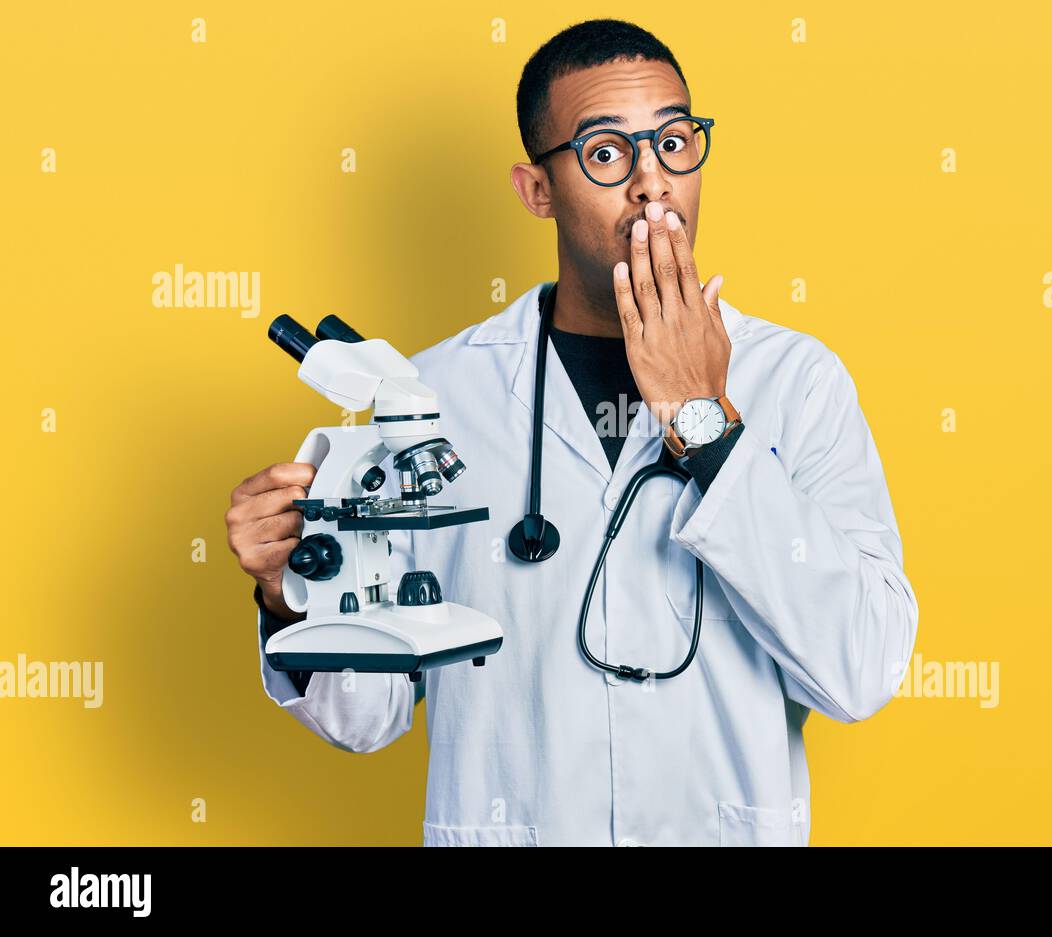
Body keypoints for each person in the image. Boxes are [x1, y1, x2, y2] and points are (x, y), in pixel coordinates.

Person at [225, 18, 918, 846]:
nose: (652, 184)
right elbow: (362, 715)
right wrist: (286, 590)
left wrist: (708, 422)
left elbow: (862, 668)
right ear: (537, 190)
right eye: (604, 153)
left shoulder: (798, 382)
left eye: (673, 141)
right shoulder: (434, 394)